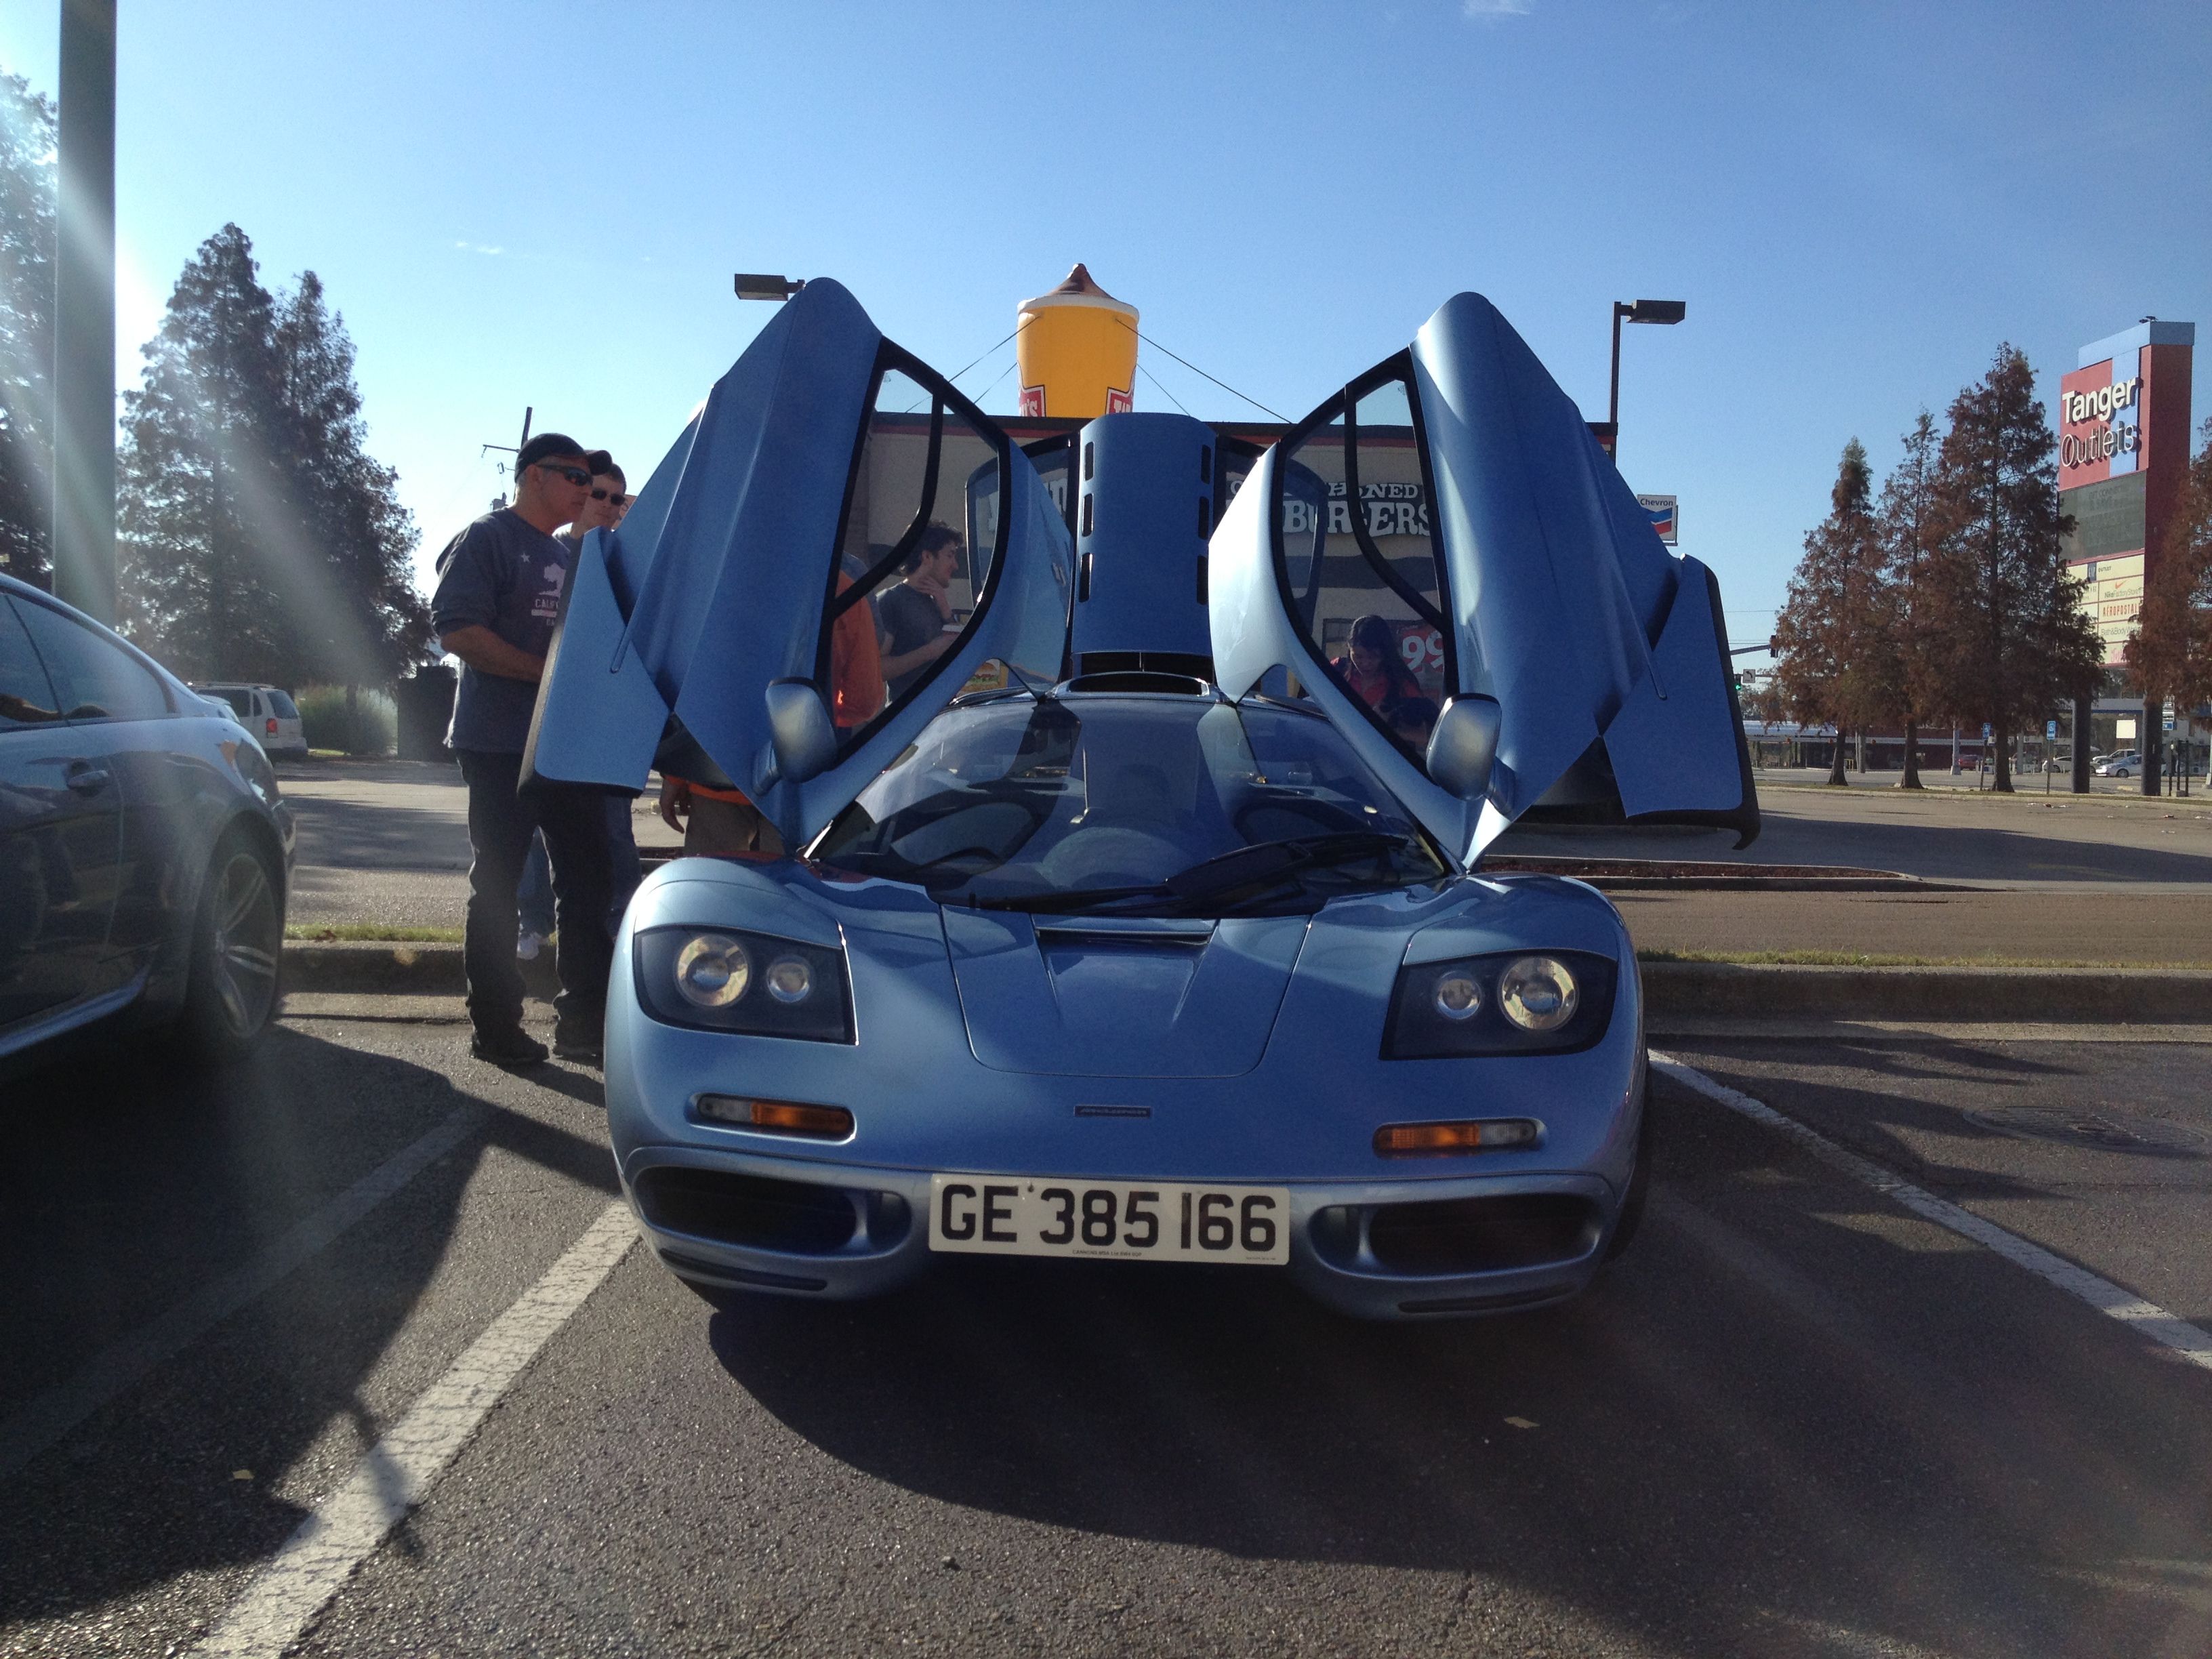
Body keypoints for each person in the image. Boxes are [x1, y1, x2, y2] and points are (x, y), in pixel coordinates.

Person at [430, 432, 614, 1068]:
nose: (586, 492)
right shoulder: (489, 538)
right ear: (535, 475)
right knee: (501, 884)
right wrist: (546, 673)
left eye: (591, 484)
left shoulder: (564, 552)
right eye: (575, 478)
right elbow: (457, 630)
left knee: (584, 882)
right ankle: (496, 1027)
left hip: (561, 746)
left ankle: (581, 1025)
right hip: (498, 744)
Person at [657, 570, 884, 855]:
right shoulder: (841, 588)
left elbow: (691, 683)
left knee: (714, 887)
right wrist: (814, 724)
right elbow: (864, 701)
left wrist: (676, 775)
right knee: (790, 889)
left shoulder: (724, 576)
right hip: (800, 781)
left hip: (718, 769)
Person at [518, 450, 640, 952]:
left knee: (613, 832)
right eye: (598, 494)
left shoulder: (627, 565)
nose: (609, 505)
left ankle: (622, 928)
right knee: (533, 837)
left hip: (605, 725)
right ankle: (532, 923)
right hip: (543, 720)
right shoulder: (549, 558)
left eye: (618, 498)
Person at [876, 527, 962, 703]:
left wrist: (945, 609)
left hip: (941, 716)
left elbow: (957, 651)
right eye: (950, 555)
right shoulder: (891, 600)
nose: (956, 565)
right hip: (909, 718)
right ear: (927, 557)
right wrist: (929, 652)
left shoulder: (936, 601)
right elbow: (878, 669)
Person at [1332, 614, 1420, 712]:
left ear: (1386, 653)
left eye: (1373, 657)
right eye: (1358, 656)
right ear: (1349, 649)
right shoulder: (1337, 669)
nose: (1365, 663)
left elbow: (1424, 724)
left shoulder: (1402, 686)